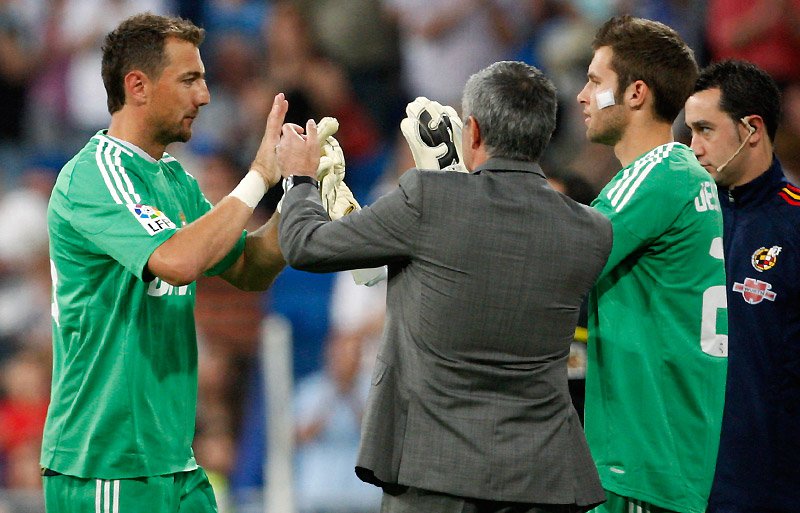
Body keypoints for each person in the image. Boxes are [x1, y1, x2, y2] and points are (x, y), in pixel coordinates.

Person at [277, 60, 612, 513]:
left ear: (470, 131)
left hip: (431, 474)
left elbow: (305, 245)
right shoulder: (592, 231)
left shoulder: (429, 199)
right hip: (543, 476)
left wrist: (299, 178)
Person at [41, 12, 288, 512]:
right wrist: (259, 175)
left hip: (171, 459)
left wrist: (300, 195)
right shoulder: (92, 175)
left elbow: (249, 268)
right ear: (138, 86)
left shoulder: (173, 179)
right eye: (190, 79)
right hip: (105, 464)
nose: (205, 95)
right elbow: (176, 261)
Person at [576, 15, 728, 513]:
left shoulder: (661, 174)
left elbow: (560, 256)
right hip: (650, 456)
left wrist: (458, 187)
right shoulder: (665, 177)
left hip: (644, 460)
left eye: (596, 81)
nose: (581, 96)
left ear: (636, 93)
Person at [685, 59, 800, 513]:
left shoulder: (793, 228)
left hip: (771, 488)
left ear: (751, 128)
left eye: (705, 130)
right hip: (687, 479)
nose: (692, 147)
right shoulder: (684, 222)